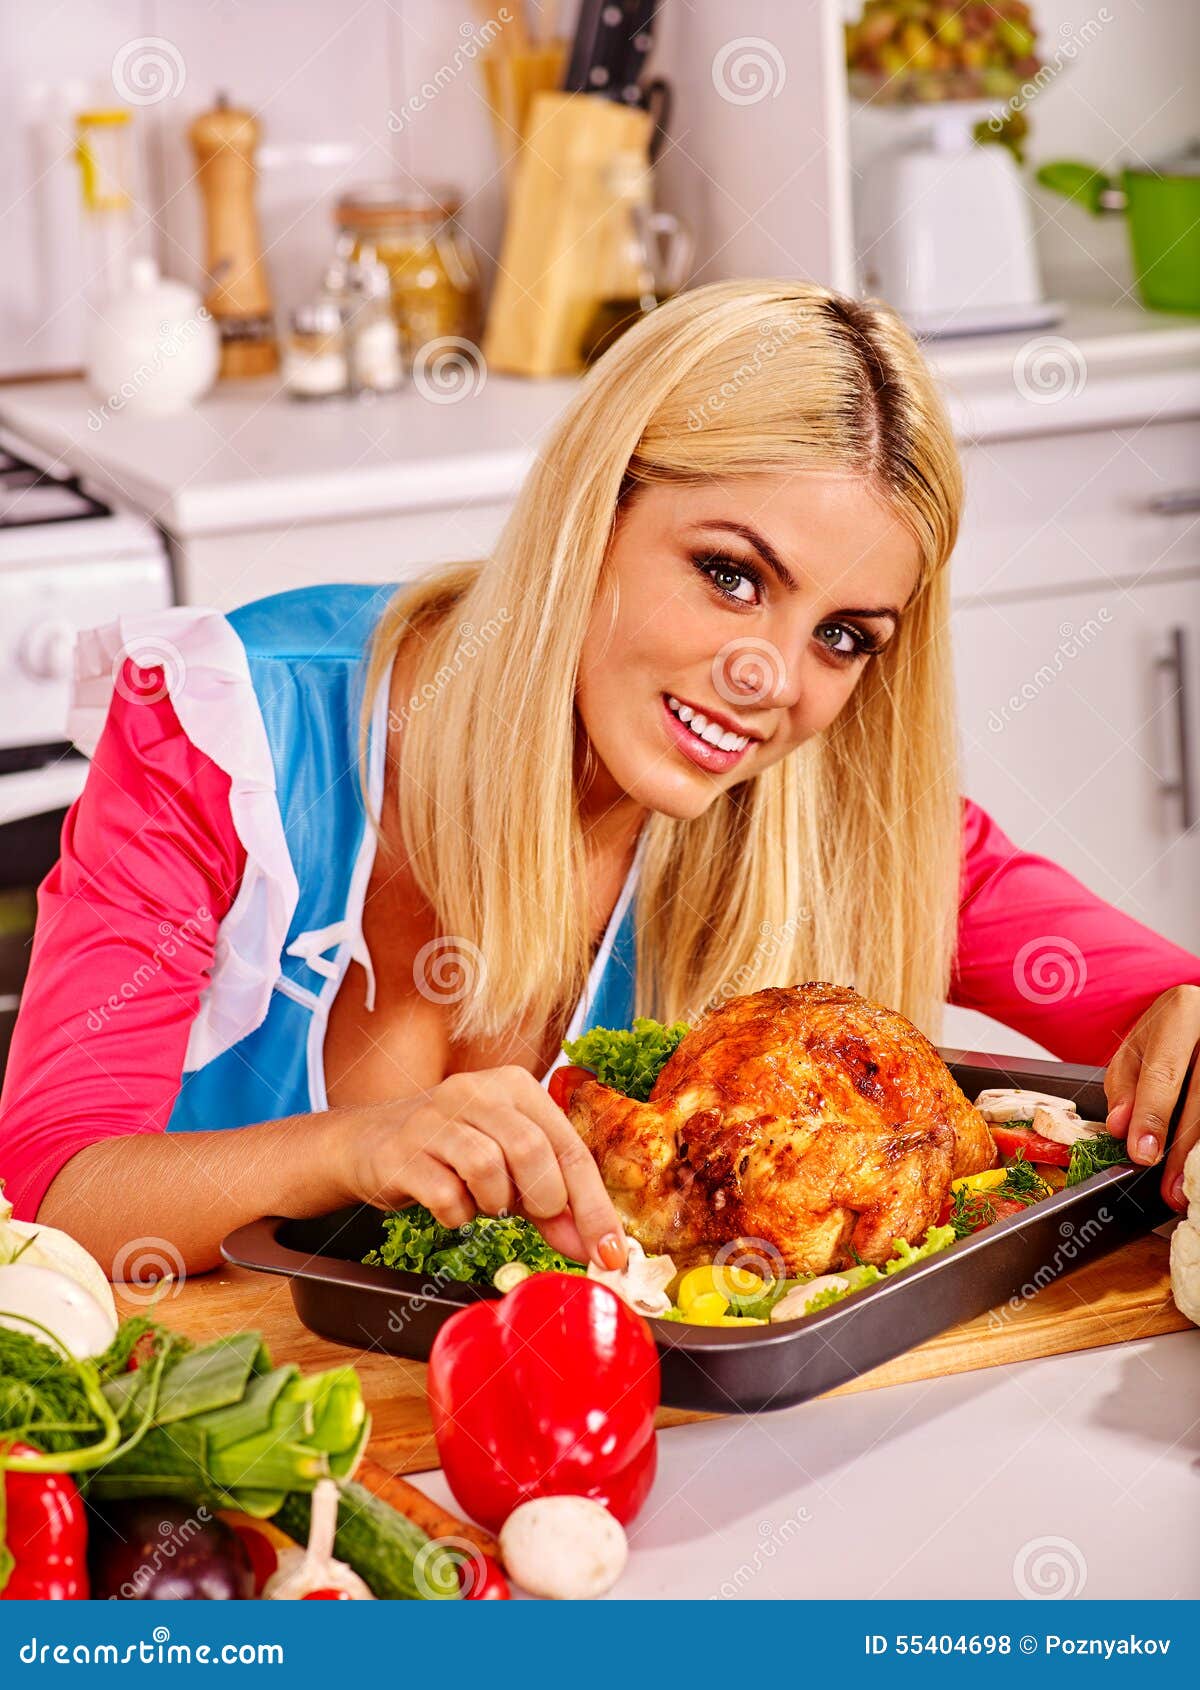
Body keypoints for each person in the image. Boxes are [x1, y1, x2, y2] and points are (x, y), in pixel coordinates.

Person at [2, 280, 1198, 1281]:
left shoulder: (830, 813)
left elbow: (1167, 1013)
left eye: (844, 636)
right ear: (596, 511)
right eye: (730, 574)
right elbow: (54, 1192)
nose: (768, 676)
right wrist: (355, 1148)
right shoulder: (233, 731)